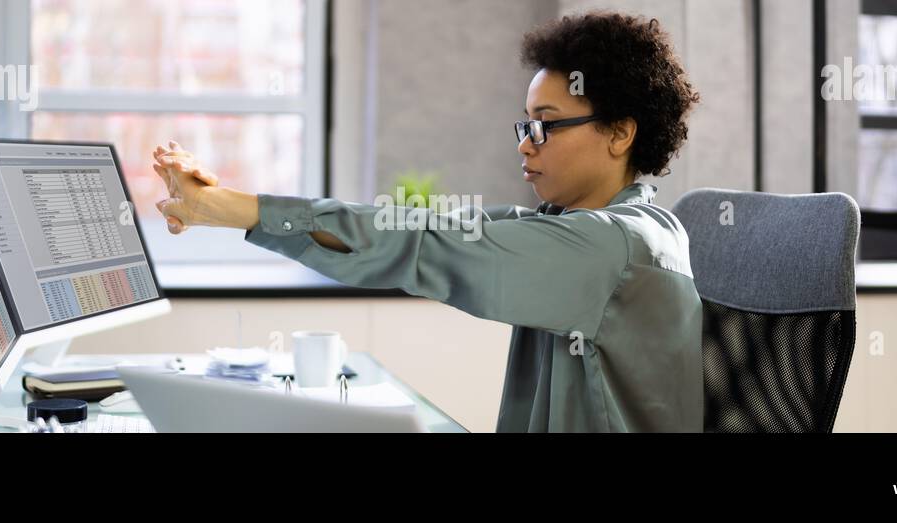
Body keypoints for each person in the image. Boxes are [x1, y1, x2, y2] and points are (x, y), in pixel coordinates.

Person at [151, 12, 703, 432]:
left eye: (548, 125)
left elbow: (423, 244)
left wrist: (227, 208)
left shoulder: (612, 246)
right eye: (525, 125)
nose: (527, 145)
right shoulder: (573, 228)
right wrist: (233, 207)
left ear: (619, 133)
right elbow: (413, 225)